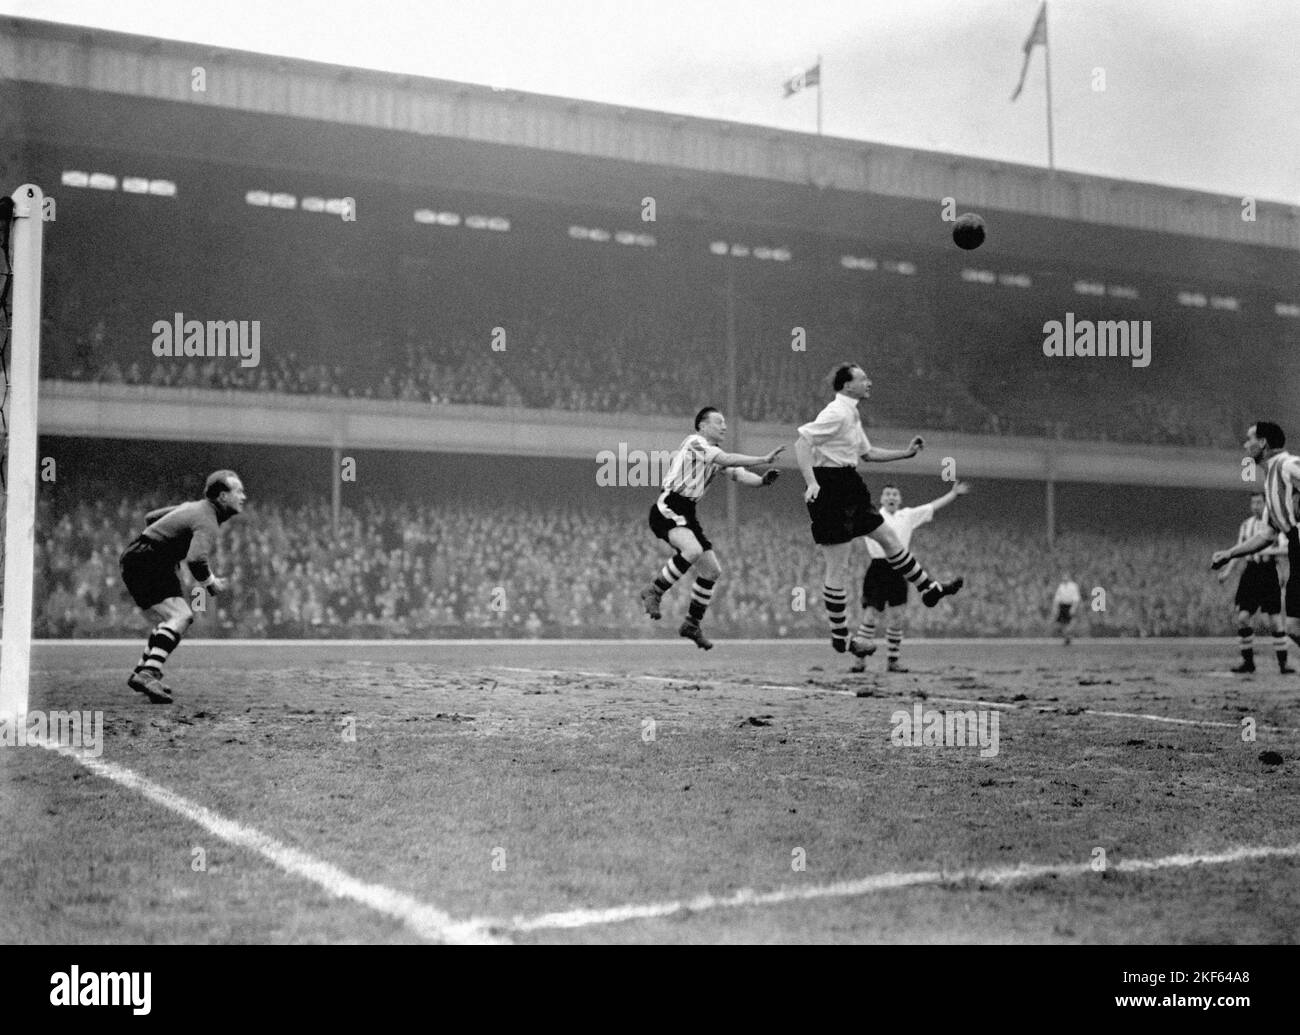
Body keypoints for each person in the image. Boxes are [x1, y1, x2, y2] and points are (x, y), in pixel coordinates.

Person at [794, 363, 963, 657]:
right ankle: (842, 638)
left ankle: (929, 589)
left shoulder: (852, 414)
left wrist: (906, 453)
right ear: (847, 385)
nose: (869, 382)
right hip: (829, 486)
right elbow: (802, 442)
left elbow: (868, 454)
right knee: (838, 567)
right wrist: (811, 482)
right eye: (863, 379)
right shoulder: (835, 412)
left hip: (850, 483)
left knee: (888, 539)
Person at [641, 407, 782, 649]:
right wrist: (762, 459)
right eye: (719, 422)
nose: (724, 426)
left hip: (688, 512)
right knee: (693, 550)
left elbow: (738, 473)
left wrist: (761, 481)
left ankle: (692, 624)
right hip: (669, 506)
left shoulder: (714, 454)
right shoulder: (695, 443)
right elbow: (726, 460)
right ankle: (653, 591)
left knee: (712, 571)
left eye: (725, 422)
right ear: (702, 426)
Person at [118, 470, 246, 702]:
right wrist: (210, 583)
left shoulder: (194, 507)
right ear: (223, 497)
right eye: (238, 491)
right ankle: (148, 673)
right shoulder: (207, 518)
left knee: (178, 617)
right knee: (180, 616)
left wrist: (170, 537)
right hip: (149, 559)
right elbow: (196, 559)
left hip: (146, 557)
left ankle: (142, 671)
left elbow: (150, 517)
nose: (243, 496)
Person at [850, 480, 970, 672]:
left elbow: (932, 506)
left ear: (899, 499)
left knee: (896, 617)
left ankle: (893, 661)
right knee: (870, 616)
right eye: (887, 494)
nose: (891, 497)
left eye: (894, 494)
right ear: (881, 498)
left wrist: (953, 494)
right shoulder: (871, 515)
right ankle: (860, 660)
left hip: (900, 569)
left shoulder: (907, 516)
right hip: (878, 568)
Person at [1212, 421, 1300, 663]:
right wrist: (1230, 553)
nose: (1245, 444)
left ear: (1262, 443)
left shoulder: (1287, 464)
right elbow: (1266, 536)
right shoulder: (1270, 484)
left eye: (1249, 439)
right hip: (1296, 548)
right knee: (1293, 628)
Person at [1216, 492, 1293, 673]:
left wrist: (1282, 572)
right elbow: (1238, 551)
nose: (1256, 506)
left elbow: (1283, 549)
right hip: (1251, 573)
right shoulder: (1246, 525)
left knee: (1275, 620)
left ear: (1266, 505)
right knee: (1243, 617)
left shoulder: (1275, 524)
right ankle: (1248, 662)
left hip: (1268, 572)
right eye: (1253, 503)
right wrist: (1227, 571)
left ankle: (1283, 664)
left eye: (1259, 502)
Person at [1052, 574, 1081, 645]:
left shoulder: (1073, 586)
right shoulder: (1061, 586)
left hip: (1070, 605)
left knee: (1070, 622)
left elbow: (1076, 598)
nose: (1064, 578)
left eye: (1065, 577)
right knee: (1061, 623)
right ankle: (1067, 637)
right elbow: (1057, 598)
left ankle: (1069, 636)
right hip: (1062, 606)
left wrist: (1073, 607)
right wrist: (1055, 607)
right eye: (1063, 577)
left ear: (1069, 578)